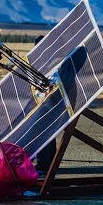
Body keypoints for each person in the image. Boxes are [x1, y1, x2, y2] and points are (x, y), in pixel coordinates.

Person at [32, 35, 57, 174]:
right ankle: (51, 162)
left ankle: (43, 164)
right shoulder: (52, 59)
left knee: (40, 132)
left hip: (44, 101)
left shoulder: (41, 62)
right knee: (49, 132)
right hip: (52, 101)